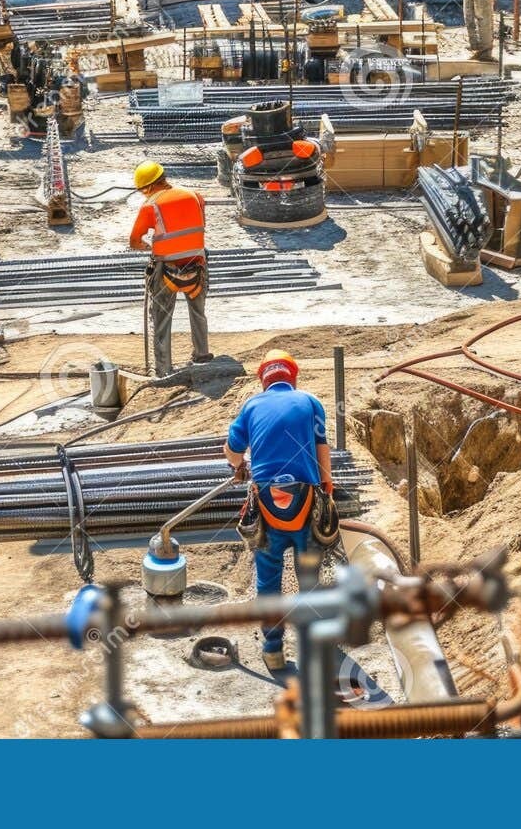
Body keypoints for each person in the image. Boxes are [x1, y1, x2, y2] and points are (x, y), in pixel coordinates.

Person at [226, 350, 335, 671]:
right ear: (292, 377)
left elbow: (232, 450)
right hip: (305, 504)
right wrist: (326, 487)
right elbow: (321, 448)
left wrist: (240, 464)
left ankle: (273, 651)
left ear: (263, 380)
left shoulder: (251, 406)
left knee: (268, 581)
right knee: (309, 578)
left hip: (266, 505)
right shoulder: (309, 402)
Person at [129, 160, 211, 376]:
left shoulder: (151, 205)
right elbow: (197, 226)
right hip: (197, 265)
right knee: (198, 312)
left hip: (166, 270)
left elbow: (135, 240)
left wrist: (149, 246)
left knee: (162, 318)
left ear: (147, 187)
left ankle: (163, 369)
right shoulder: (195, 195)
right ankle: (202, 355)